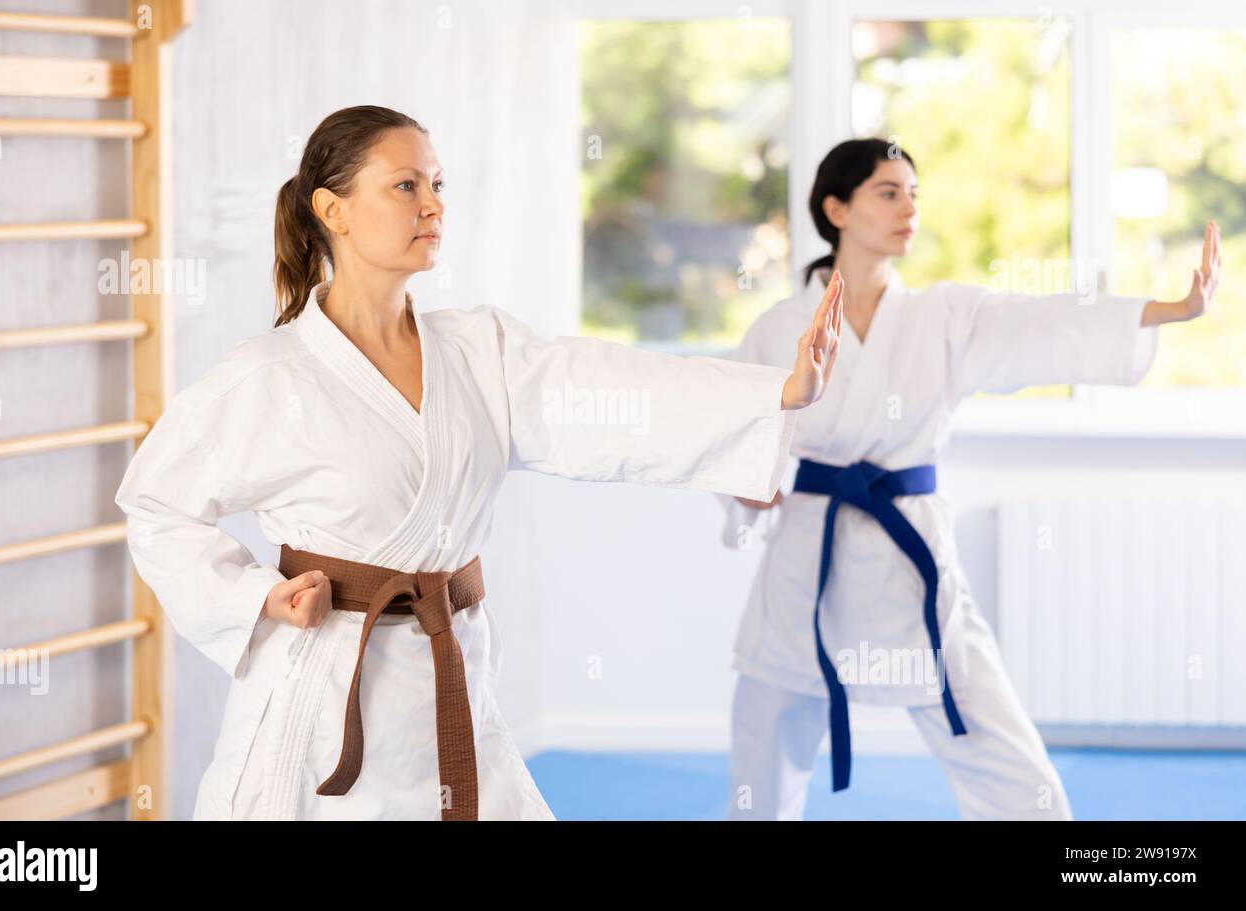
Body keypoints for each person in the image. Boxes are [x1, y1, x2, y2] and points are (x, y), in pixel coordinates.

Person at [113, 105, 846, 820]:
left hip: (448, 677)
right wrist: (255, 596)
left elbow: (605, 391)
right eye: (406, 186)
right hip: (326, 700)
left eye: (437, 185)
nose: (433, 205)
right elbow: (156, 504)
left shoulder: (475, 350)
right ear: (333, 211)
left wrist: (774, 393)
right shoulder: (270, 375)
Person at [721, 137, 1222, 820]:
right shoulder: (779, 327)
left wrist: (1164, 310)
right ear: (836, 209)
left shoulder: (942, 316)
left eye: (914, 194)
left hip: (910, 561)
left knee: (1012, 766)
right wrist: (750, 486)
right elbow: (739, 431)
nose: (908, 209)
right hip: (809, 559)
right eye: (888, 193)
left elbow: (1041, 323)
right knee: (762, 764)